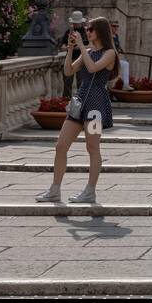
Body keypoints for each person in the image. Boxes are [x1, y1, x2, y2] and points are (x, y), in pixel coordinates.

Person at [38, 16, 118, 205]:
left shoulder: (109, 54)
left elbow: (92, 68)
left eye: (90, 29)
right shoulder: (87, 51)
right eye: (86, 29)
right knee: (61, 145)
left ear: (100, 31)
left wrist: (82, 47)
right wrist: (70, 49)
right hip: (80, 103)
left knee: (92, 147)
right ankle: (55, 190)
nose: (87, 32)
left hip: (96, 106)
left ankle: (90, 191)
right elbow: (68, 71)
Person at [59, 10, 88, 98]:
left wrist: (80, 46)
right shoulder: (69, 31)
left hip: (81, 58)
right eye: (75, 22)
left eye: (77, 22)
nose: (76, 24)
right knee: (67, 81)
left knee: (81, 81)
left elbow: (90, 45)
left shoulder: (85, 32)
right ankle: (66, 100)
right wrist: (65, 47)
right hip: (70, 58)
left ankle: (81, 100)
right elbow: (63, 44)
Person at [110, 20, 130, 88]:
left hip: (115, 58)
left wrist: (122, 51)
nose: (116, 28)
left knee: (125, 64)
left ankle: (126, 85)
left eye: (117, 26)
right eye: (114, 26)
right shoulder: (108, 36)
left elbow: (118, 46)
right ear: (110, 26)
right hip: (108, 58)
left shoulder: (116, 36)